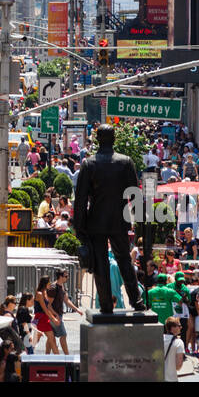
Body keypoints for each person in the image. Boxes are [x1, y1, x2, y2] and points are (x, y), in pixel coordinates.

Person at [73, 124, 144, 313]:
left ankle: (105, 305)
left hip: (96, 222)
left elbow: (80, 199)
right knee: (124, 262)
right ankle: (136, 302)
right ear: (114, 140)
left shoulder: (89, 164)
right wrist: (139, 222)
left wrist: (79, 227)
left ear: (97, 140)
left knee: (101, 265)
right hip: (119, 220)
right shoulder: (125, 162)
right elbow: (135, 194)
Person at [163, 317, 185, 382]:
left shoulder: (159, 338)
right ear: (172, 328)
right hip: (171, 378)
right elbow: (178, 366)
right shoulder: (179, 342)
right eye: (179, 326)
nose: (181, 327)